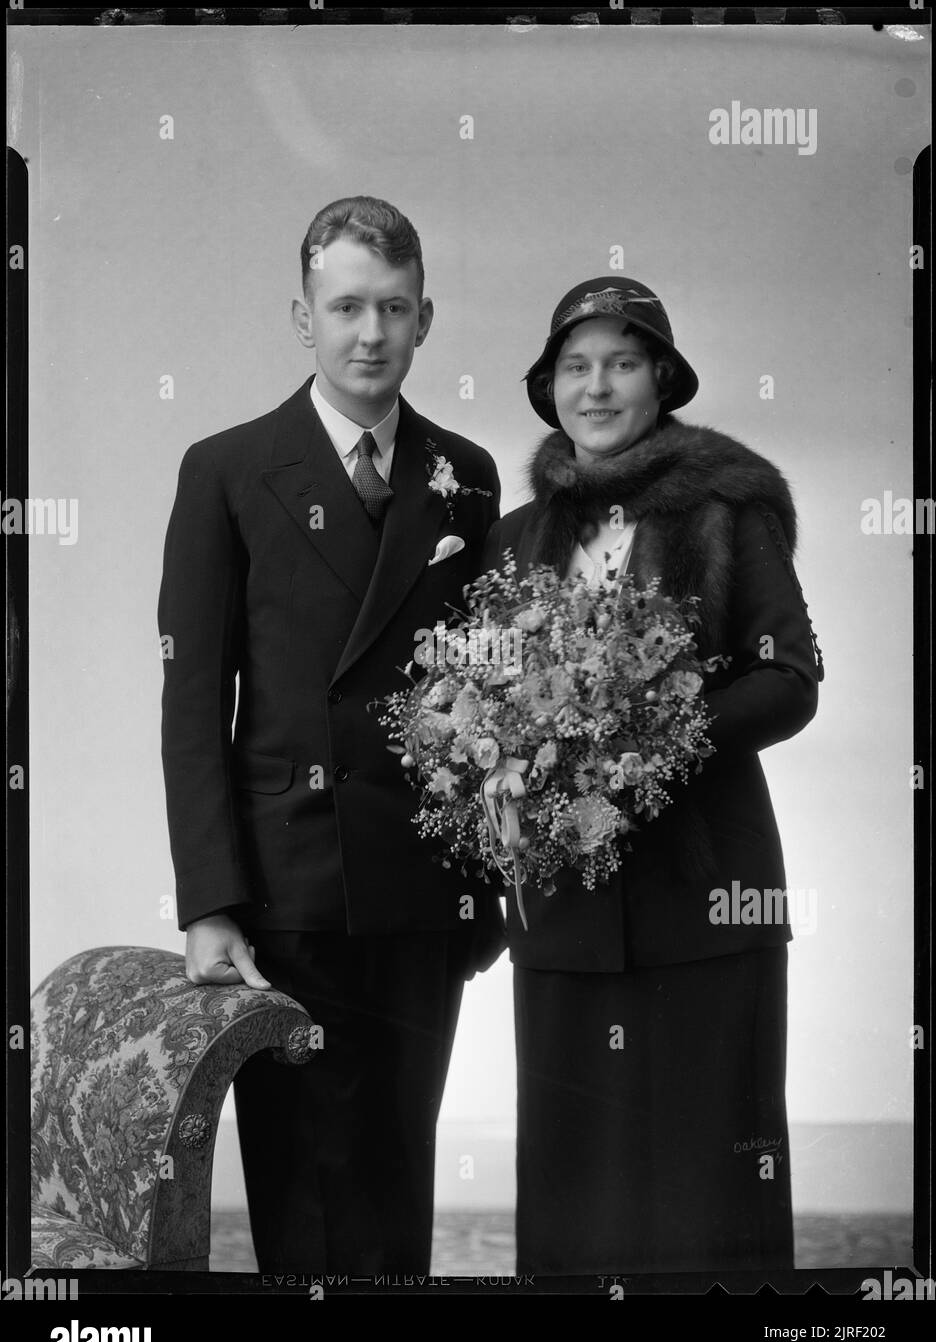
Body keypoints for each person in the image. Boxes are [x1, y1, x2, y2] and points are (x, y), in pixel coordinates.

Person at [158, 196, 505, 1275]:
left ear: (425, 318)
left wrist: (487, 883)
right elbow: (191, 701)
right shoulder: (225, 469)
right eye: (346, 305)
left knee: (397, 1176)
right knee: (301, 1198)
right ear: (302, 316)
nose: (371, 333)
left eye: (392, 307)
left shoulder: (469, 473)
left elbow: (493, 703)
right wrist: (210, 901)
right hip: (285, 893)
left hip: (419, 892)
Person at [481, 276, 823, 1275]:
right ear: (549, 389)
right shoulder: (514, 538)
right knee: (576, 1184)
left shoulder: (729, 509)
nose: (598, 387)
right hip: (567, 915)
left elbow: (789, 678)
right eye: (576, 367)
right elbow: (487, 711)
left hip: (706, 904)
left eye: (623, 363)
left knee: (708, 1181)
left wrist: (652, 739)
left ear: (661, 379)